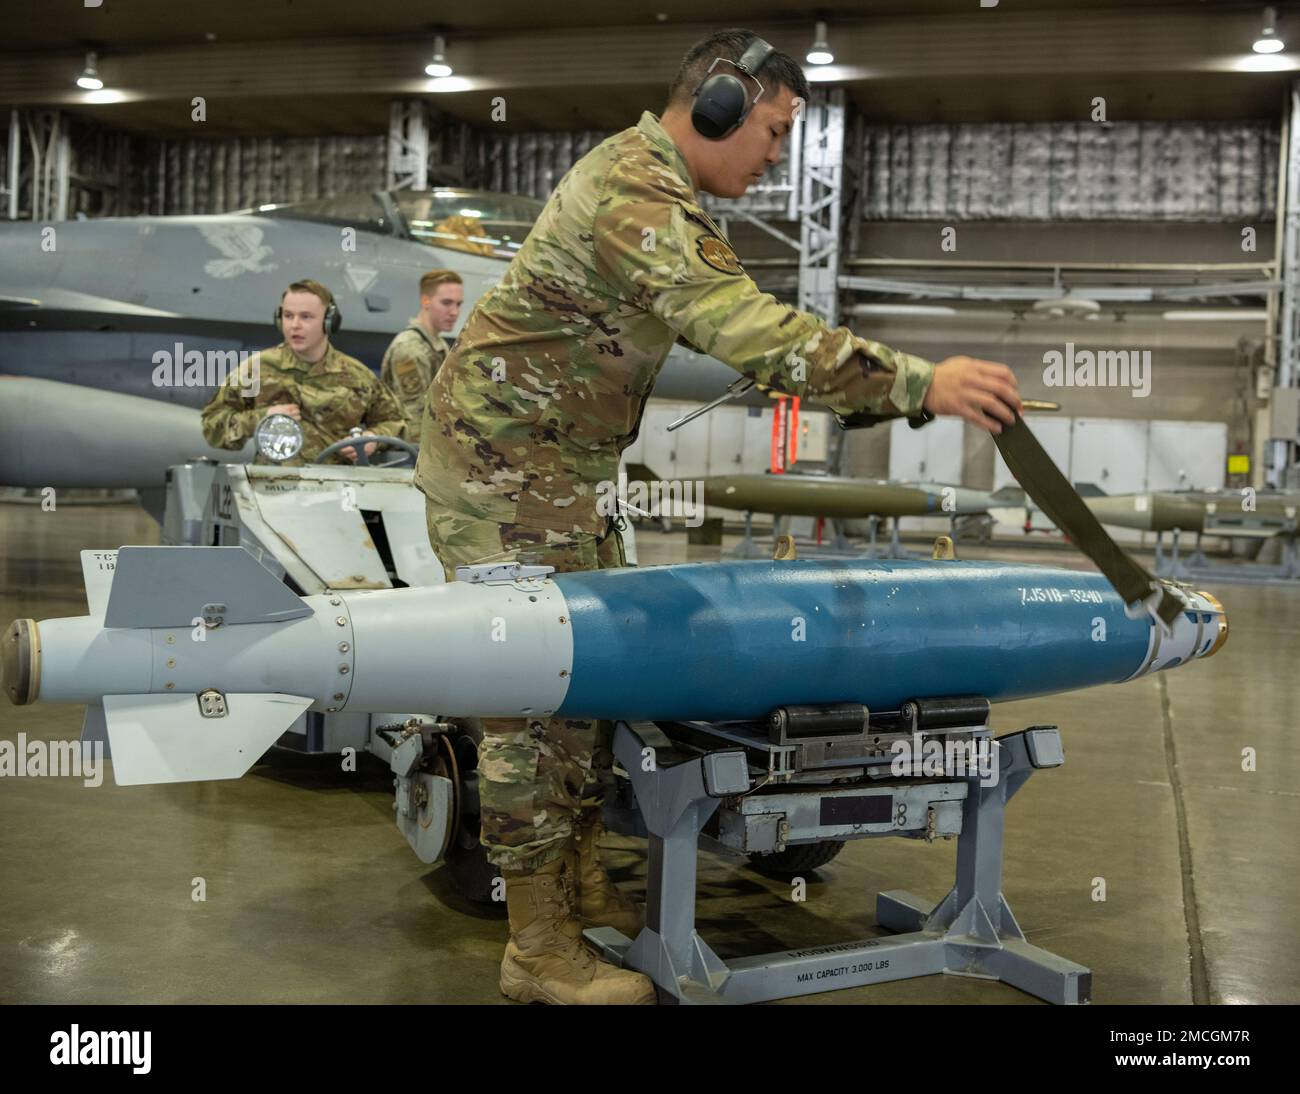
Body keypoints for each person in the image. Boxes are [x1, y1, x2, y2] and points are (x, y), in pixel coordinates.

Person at [416, 28, 1023, 1005]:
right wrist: (921, 382)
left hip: (555, 465)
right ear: (720, 107)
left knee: (589, 684)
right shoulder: (635, 190)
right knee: (531, 705)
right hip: (501, 466)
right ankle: (534, 945)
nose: (777, 156)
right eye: (775, 132)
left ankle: (574, 884)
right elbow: (747, 331)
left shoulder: (660, 189)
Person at [201, 279, 405, 465]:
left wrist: (372, 439)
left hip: (336, 494)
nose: (295, 325)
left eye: (306, 317)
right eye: (288, 316)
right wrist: (261, 419)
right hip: (272, 492)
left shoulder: (357, 376)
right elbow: (212, 426)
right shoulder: (256, 369)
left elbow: (398, 423)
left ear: (329, 321)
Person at [379, 269, 463, 443]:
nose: (454, 312)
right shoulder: (410, 349)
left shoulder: (437, 344)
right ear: (426, 301)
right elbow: (414, 418)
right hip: (411, 451)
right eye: (447, 303)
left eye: (458, 304)